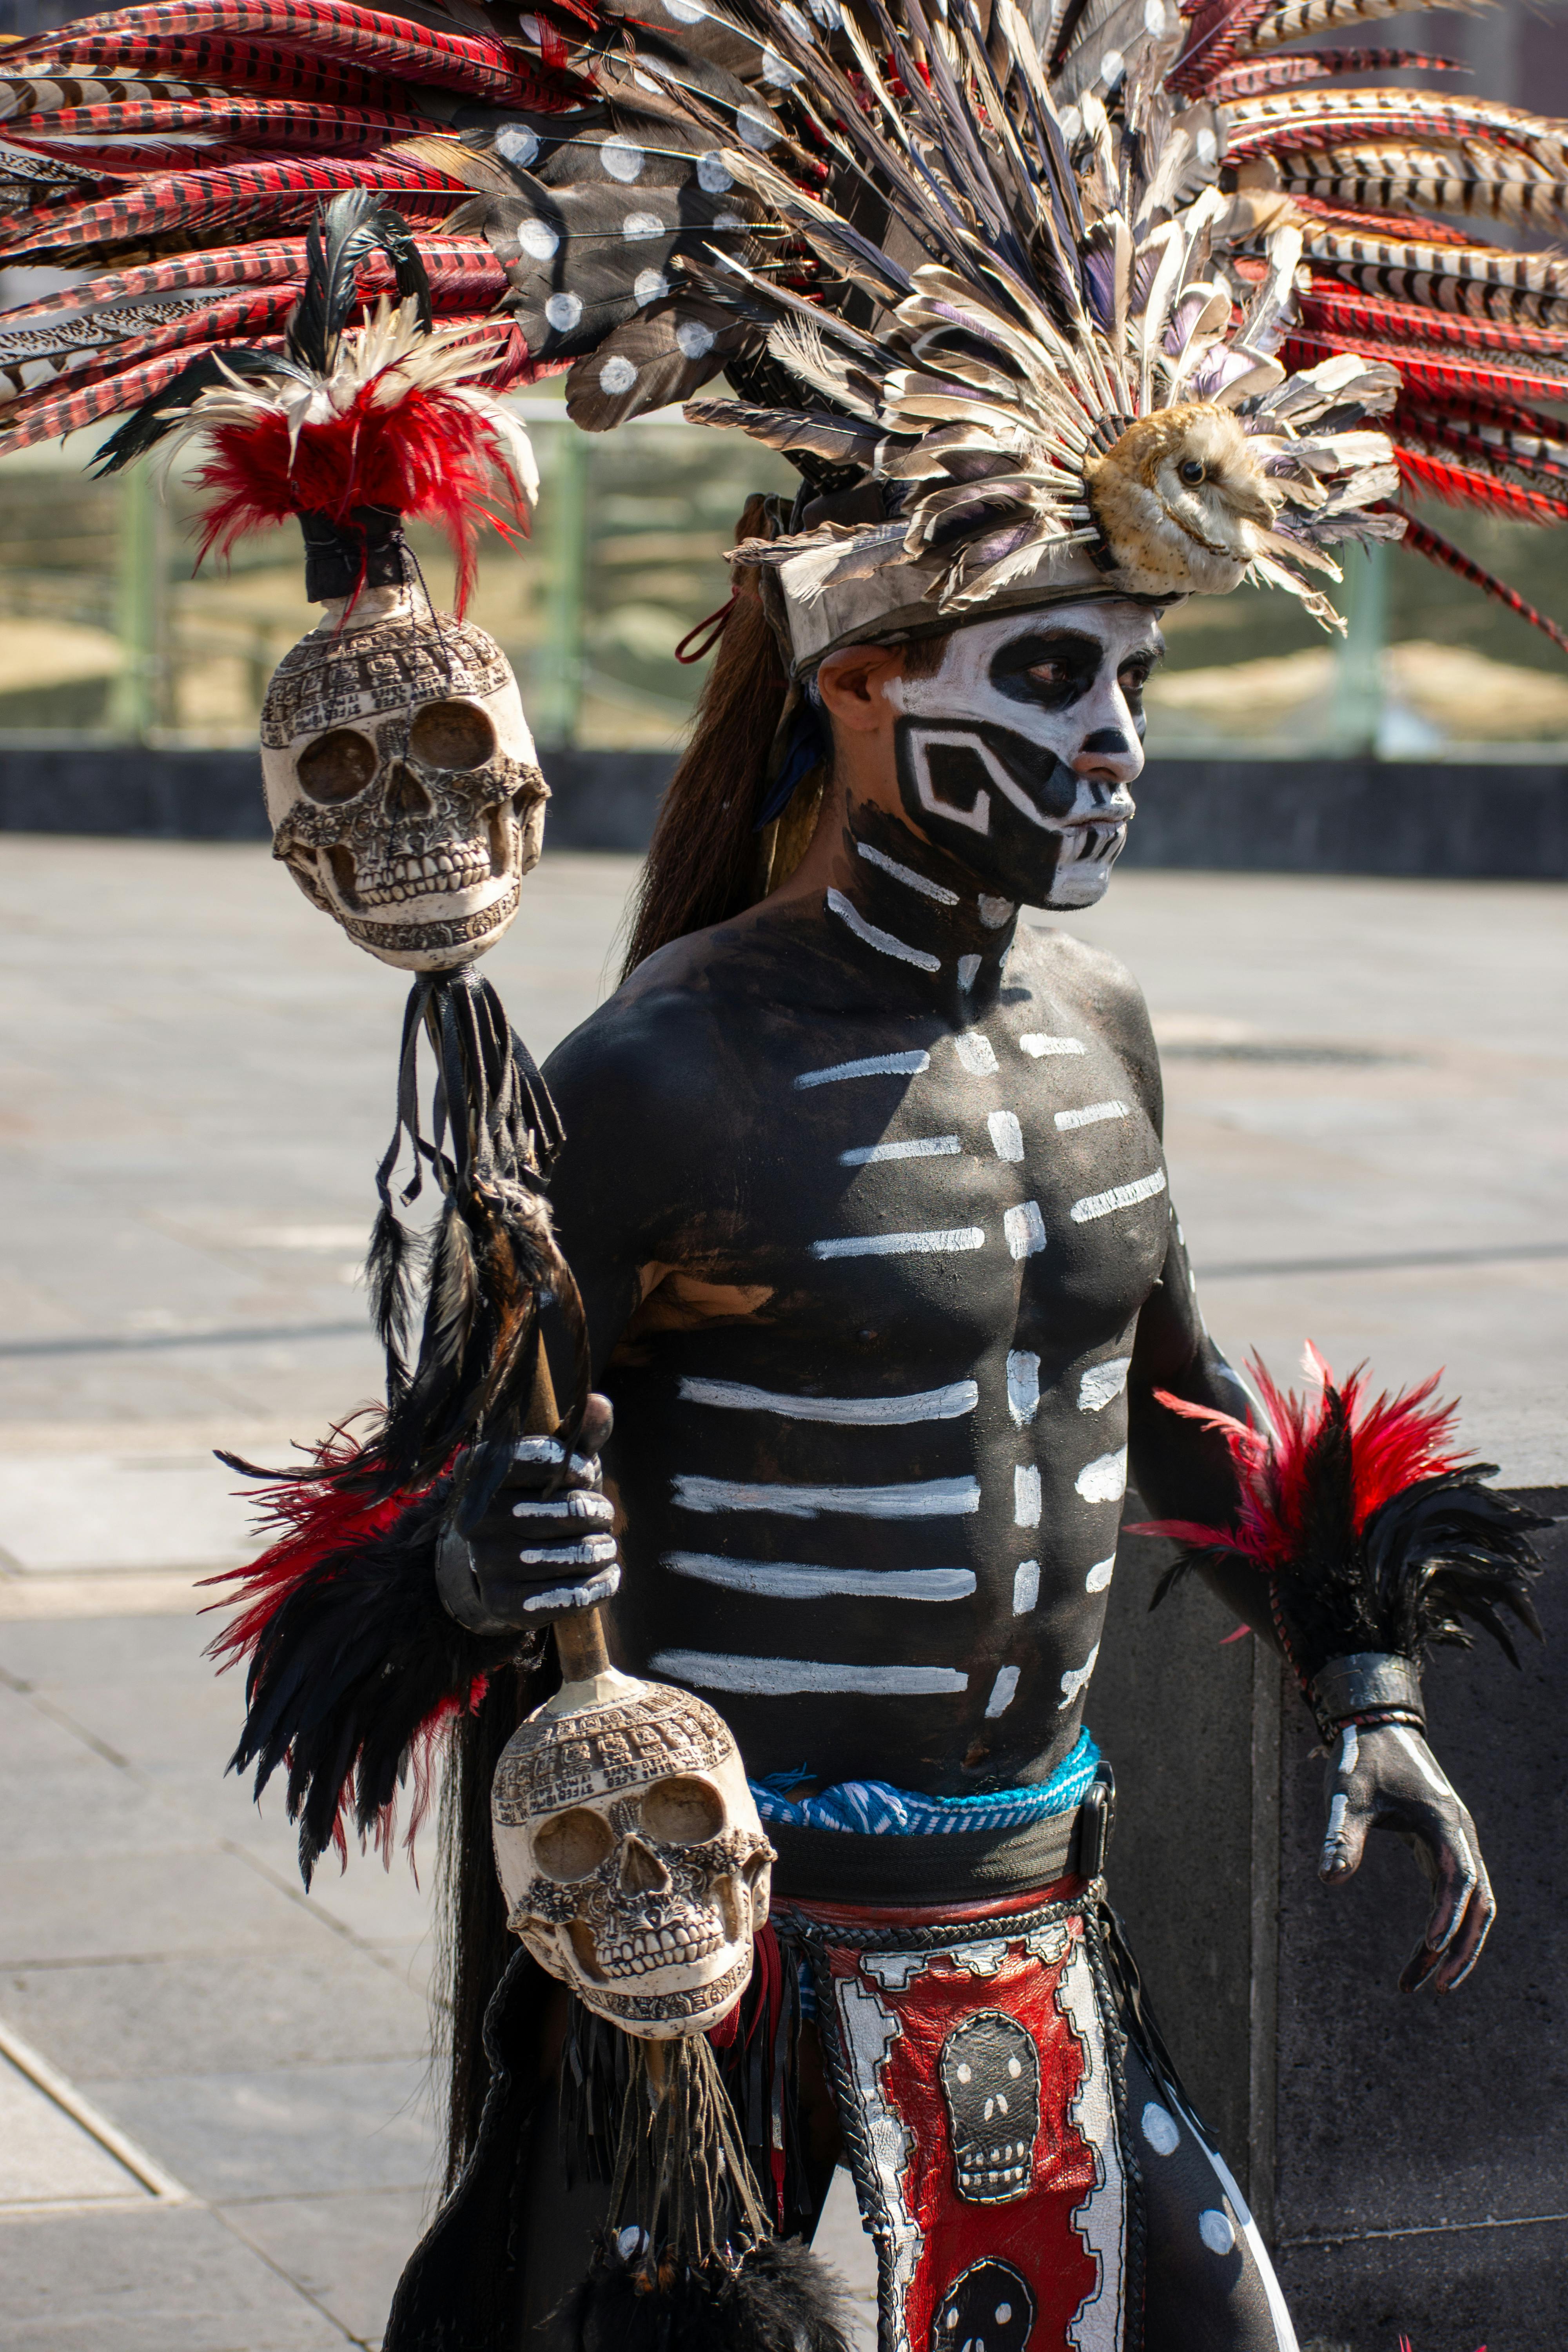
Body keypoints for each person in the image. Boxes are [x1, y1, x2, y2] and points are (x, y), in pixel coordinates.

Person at [432, 561, 1510, 2350]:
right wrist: (482, 1551)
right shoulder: (656, 1070)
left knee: (1206, 2318)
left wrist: (1366, 1677)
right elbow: (443, 1485)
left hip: (1022, 1890)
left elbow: (1181, 1417)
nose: (1113, 741)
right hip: (712, 1919)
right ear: (858, 687)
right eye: (1049, 676)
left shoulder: (1097, 1020)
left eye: (1135, 682)